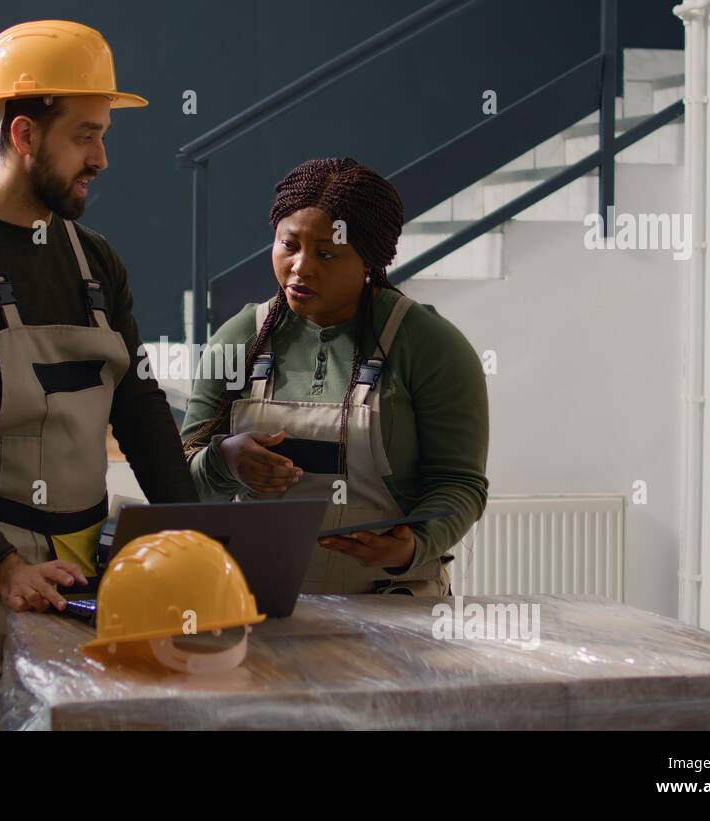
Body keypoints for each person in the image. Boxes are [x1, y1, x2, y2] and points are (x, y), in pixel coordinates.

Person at [0, 20, 197, 731]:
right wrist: (2, 568)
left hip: (85, 570)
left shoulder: (96, 263)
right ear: (23, 135)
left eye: (104, 134)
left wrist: (197, 537)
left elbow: (139, 407)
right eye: (85, 135)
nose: (102, 157)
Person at [181, 157, 489, 596]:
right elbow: (180, 487)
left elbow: (460, 484)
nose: (301, 267)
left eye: (326, 253)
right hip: (257, 604)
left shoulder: (427, 345)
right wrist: (224, 461)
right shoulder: (238, 340)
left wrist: (411, 546)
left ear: (370, 259)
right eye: (289, 245)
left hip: (393, 607)